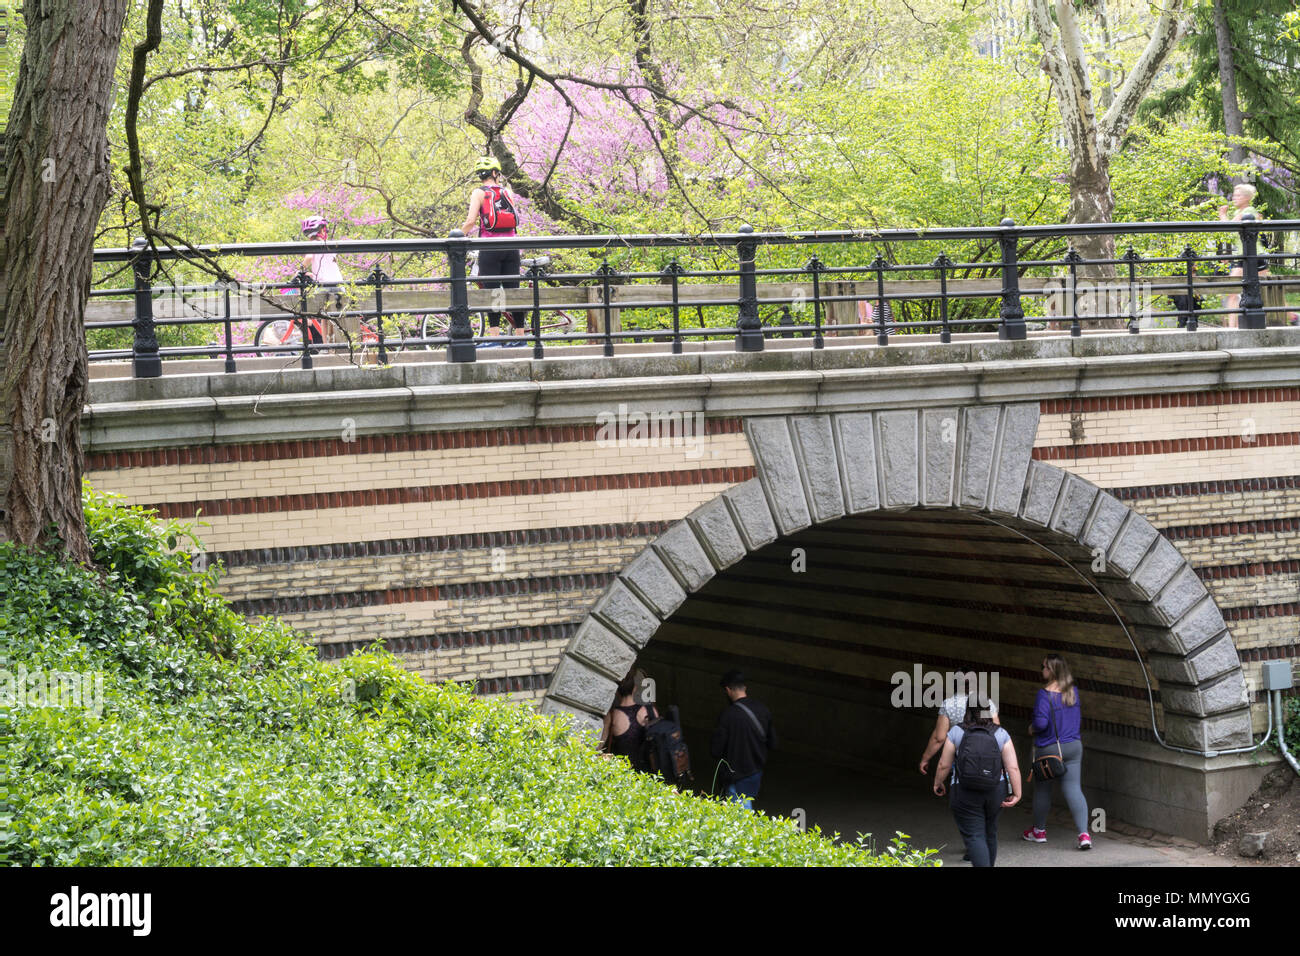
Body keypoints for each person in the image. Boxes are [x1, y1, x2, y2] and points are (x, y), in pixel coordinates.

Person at [933, 693, 1021, 867]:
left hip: (965, 790)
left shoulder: (957, 731)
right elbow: (1013, 767)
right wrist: (1017, 793)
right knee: (990, 832)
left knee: (975, 835)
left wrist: (938, 782)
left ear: (968, 709)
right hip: (995, 790)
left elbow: (944, 764)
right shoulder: (1001, 733)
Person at [1023, 653, 1092, 849]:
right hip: (1073, 747)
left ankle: (1039, 831)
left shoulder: (1044, 694)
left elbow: (1041, 723)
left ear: (1051, 670)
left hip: (1049, 748)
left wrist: (1031, 729)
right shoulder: (1073, 691)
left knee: (1043, 789)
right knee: (1073, 789)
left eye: (1043, 666)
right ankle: (1084, 835)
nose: (1041, 669)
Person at [459, 156, 525, 340]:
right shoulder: (507, 192)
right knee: (514, 292)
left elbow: (471, 221)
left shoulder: (478, 193)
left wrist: (456, 235)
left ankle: (495, 338)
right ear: (496, 174)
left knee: (494, 293)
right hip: (512, 247)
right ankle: (521, 337)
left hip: (490, 248)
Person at [918, 664, 999, 776]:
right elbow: (996, 731)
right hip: (985, 759)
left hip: (960, 760)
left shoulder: (949, 704)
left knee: (959, 790)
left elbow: (939, 738)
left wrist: (925, 758)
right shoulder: (987, 703)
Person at [710, 669, 775, 809]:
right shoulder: (763, 710)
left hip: (735, 776)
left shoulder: (727, 715)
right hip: (756, 772)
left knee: (739, 818)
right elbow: (773, 743)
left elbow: (716, 750)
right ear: (745, 687)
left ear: (727, 690)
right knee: (747, 803)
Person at [1217, 183, 1266, 328]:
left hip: (1252, 256)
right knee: (1264, 291)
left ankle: (1233, 327)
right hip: (1246, 256)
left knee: (1234, 291)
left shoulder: (1248, 210)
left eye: (1238, 195)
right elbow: (1232, 234)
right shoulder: (1242, 212)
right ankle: (1234, 326)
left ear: (1247, 198)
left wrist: (1222, 215)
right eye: (1234, 195)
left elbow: (1229, 227)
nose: (1234, 198)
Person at [299, 215, 353, 342]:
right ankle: (336, 343)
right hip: (337, 283)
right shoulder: (327, 245)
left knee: (323, 317)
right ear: (320, 230)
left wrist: (300, 270)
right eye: (325, 229)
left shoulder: (313, 244)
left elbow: (308, 259)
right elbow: (327, 267)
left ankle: (326, 346)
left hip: (324, 285)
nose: (326, 231)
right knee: (335, 316)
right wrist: (313, 275)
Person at [601, 668, 658, 773]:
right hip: (647, 775)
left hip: (621, 775)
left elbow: (599, 745)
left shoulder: (612, 715)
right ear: (635, 688)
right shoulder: (648, 711)